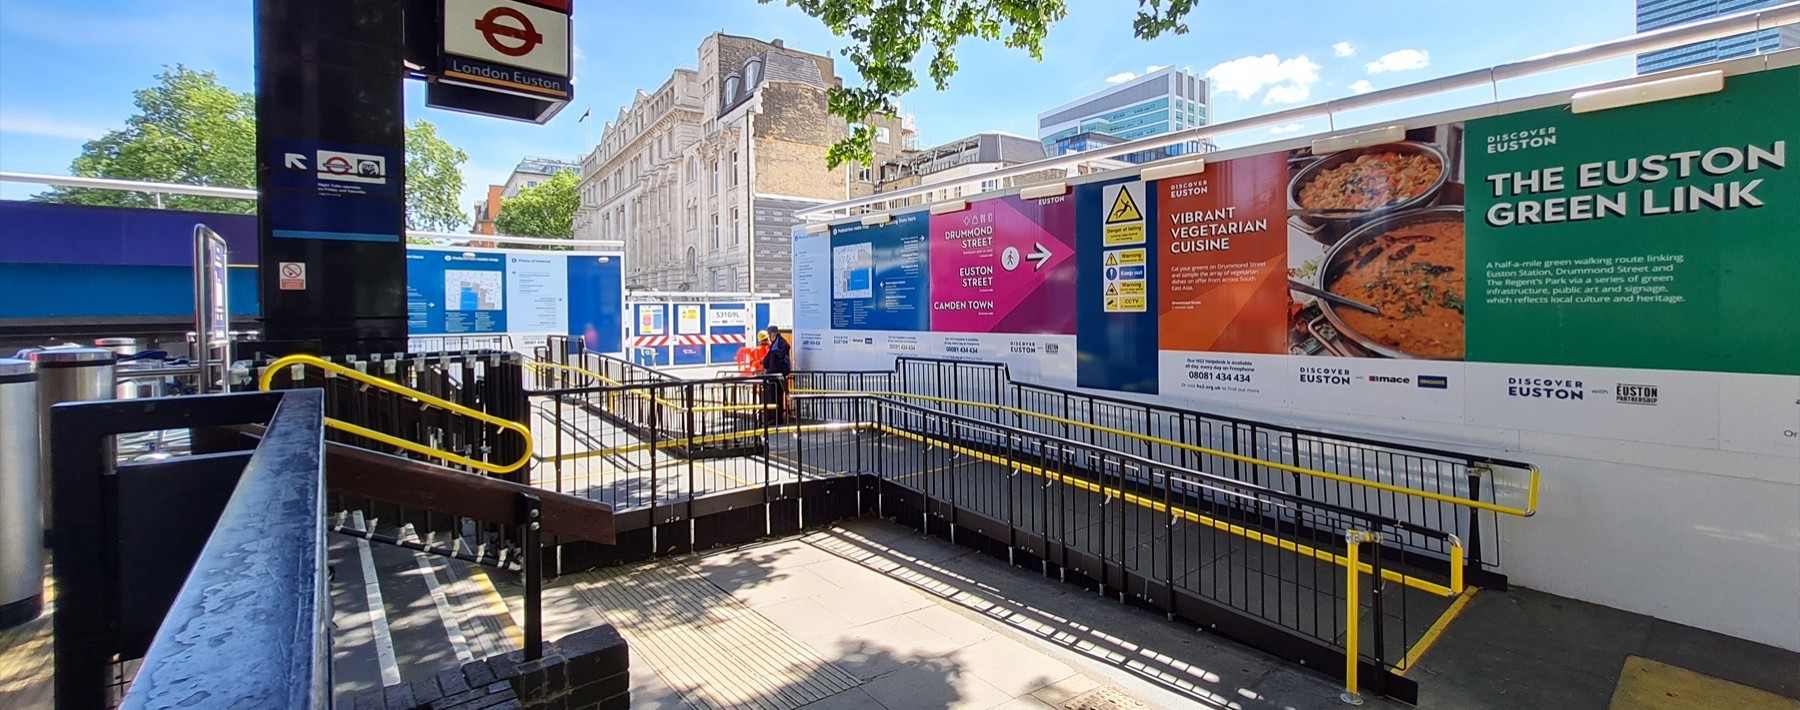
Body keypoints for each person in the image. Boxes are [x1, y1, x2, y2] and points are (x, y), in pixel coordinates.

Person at [761, 325, 793, 422]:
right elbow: (767, 359)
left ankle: (777, 418)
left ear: (772, 334)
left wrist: (778, 356)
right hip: (773, 375)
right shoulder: (775, 344)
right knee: (773, 397)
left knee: (777, 397)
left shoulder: (780, 342)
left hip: (778, 375)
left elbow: (786, 347)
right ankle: (773, 417)